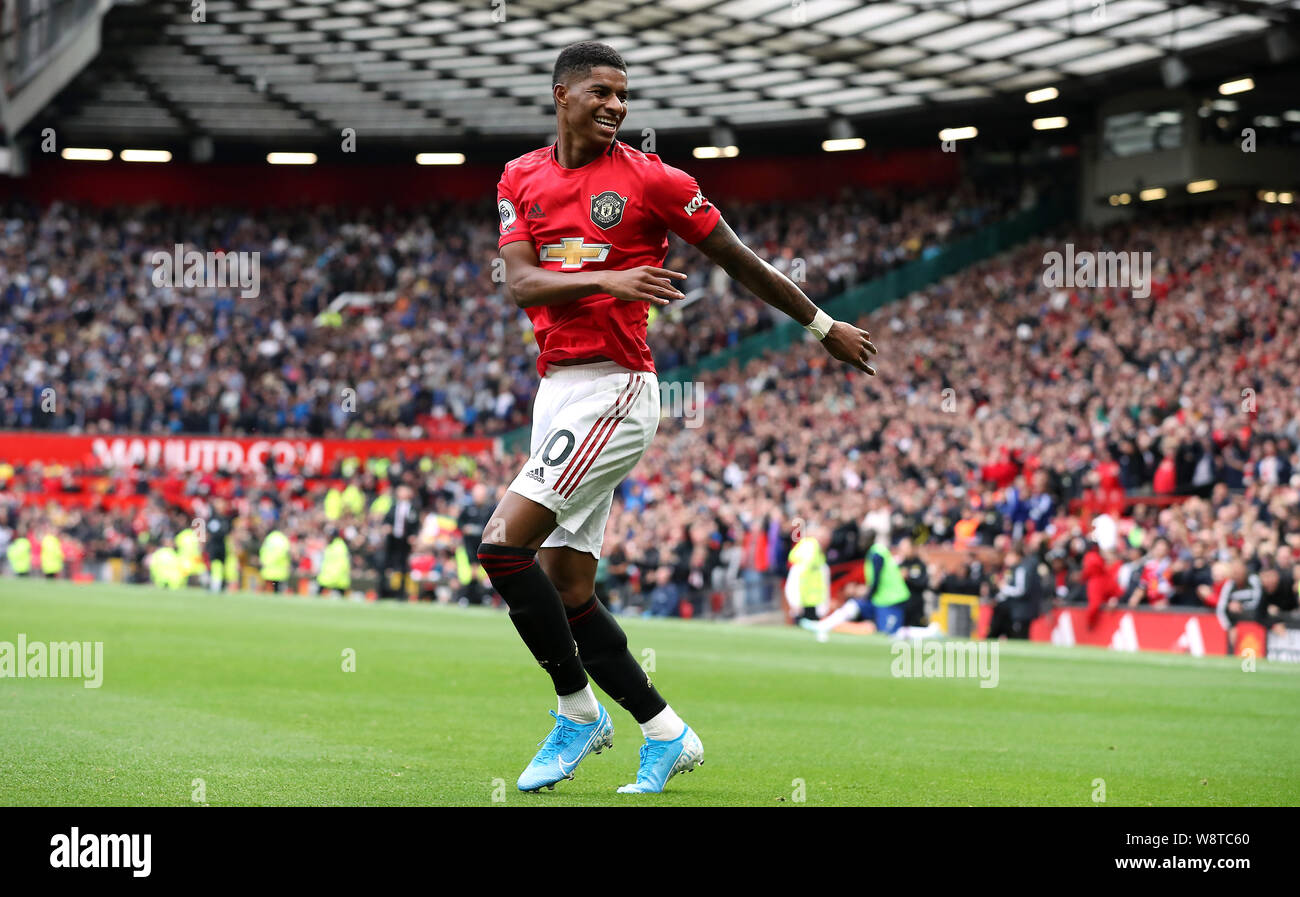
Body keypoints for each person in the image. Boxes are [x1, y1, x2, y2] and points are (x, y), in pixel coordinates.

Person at [483, 41, 878, 795]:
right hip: (556, 390)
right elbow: (521, 282)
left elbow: (739, 258)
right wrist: (612, 273)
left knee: (502, 546)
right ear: (561, 94)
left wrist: (824, 325)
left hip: (617, 390)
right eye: (600, 91)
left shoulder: (654, 180)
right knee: (566, 587)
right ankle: (666, 732)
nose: (616, 106)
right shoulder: (519, 177)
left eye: (623, 95)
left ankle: (576, 713)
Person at [800, 530, 918, 641]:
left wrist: (868, 594)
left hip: (891, 599)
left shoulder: (877, 553)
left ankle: (927, 632)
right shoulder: (874, 553)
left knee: (891, 632)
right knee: (854, 605)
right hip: (881, 598)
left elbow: (876, 579)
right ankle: (823, 625)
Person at [784, 525, 829, 625]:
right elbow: (798, 577)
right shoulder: (811, 549)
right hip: (805, 605)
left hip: (809, 603)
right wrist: (795, 601)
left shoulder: (815, 553)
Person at [380, 485, 419, 599]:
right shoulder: (393, 507)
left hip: (404, 541)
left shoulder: (412, 508)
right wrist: (386, 527)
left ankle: (401, 594)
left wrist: (413, 536)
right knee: (386, 564)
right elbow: (386, 520)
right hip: (392, 539)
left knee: (403, 567)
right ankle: (382, 591)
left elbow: (415, 525)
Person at [318, 528, 351, 598]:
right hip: (328, 576)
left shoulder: (340, 547)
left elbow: (343, 563)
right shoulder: (331, 545)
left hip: (336, 577)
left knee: (343, 597)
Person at [259, 526, 292, 593]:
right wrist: (288, 563)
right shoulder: (283, 539)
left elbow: (262, 550)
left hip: (268, 568)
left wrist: (263, 561)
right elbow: (287, 552)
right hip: (280, 569)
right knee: (278, 589)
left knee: (268, 589)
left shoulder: (268, 538)